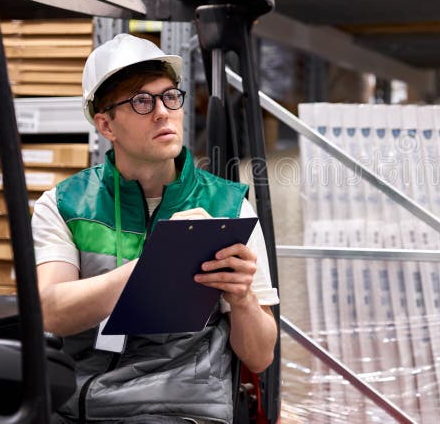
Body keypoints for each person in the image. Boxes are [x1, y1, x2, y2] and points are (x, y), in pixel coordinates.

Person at [32, 33, 279, 423]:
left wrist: (245, 299)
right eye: (142, 101)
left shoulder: (228, 207)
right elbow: (52, 312)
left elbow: (260, 356)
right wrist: (153, 265)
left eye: (170, 96)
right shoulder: (64, 204)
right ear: (106, 124)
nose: (163, 112)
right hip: (76, 405)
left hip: (180, 409)